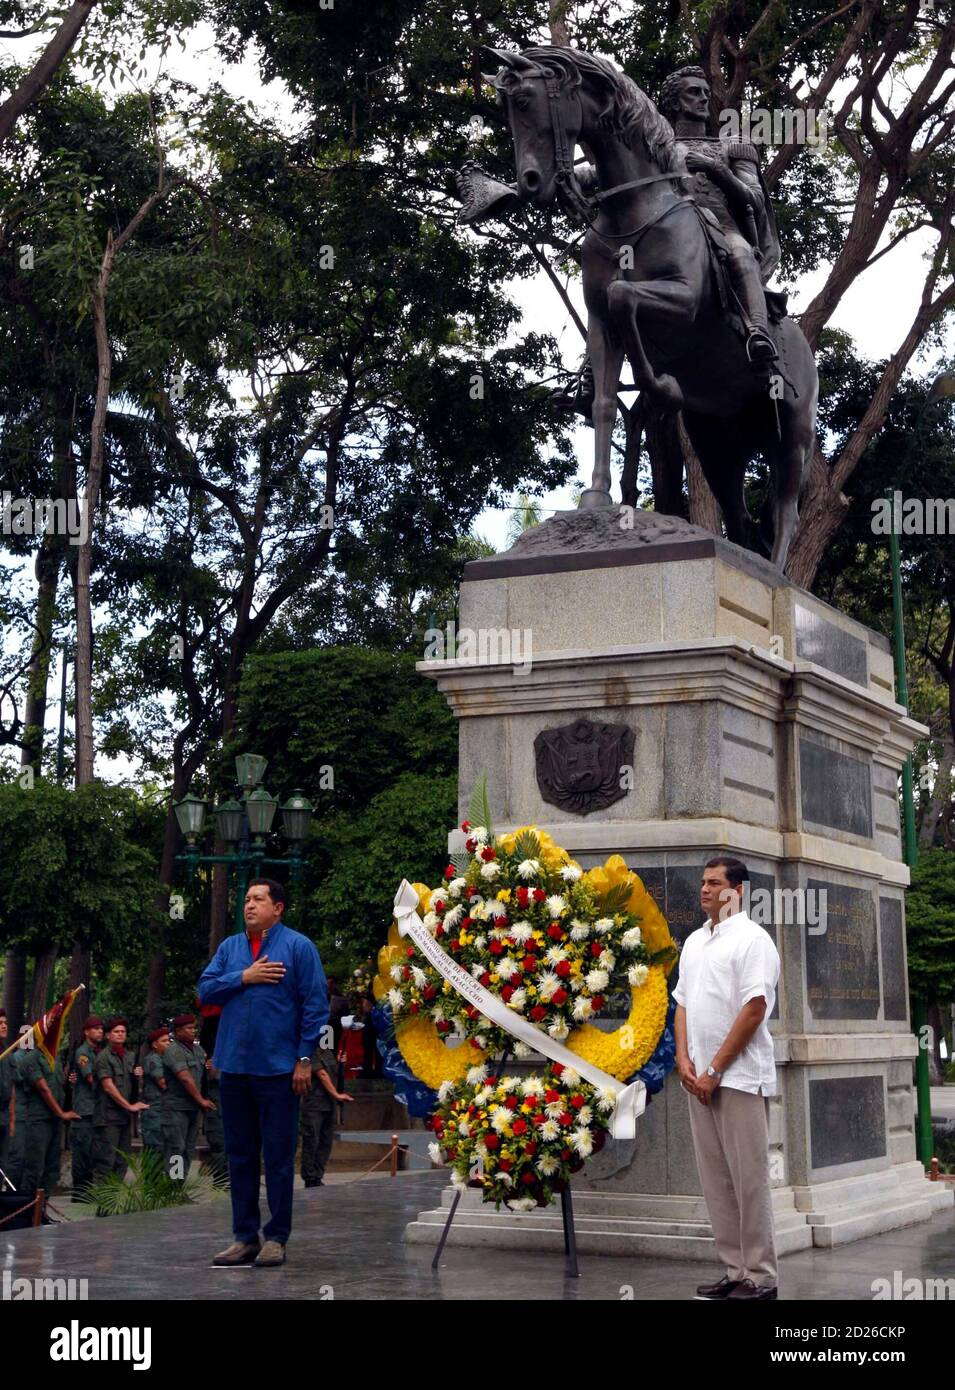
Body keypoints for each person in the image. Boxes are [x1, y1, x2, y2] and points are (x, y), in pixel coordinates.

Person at [198, 877, 328, 1268]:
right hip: (234, 1067)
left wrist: (304, 1059)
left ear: (278, 907)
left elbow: (316, 1005)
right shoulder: (230, 948)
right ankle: (244, 1237)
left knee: (277, 1155)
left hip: (278, 1070)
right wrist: (244, 977)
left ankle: (276, 1237)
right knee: (239, 1154)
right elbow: (205, 990)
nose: (249, 905)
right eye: (247, 899)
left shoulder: (298, 947)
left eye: (258, 899)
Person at [673, 856, 781, 1302]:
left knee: (748, 1180)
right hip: (699, 1079)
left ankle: (761, 1276)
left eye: (713, 883)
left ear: (736, 890)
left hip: (737, 1080)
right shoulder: (696, 942)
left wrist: (715, 1068)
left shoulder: (753, 941)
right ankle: (735, 1270)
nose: (704, 889)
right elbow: (681, 1004)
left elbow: (754, 1008)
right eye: (702, 881)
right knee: (717, 1181)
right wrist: (684, 1059)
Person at [92, 1017, 149, 1186]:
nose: (120, 1034)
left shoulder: (129, 1056)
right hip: (108, 1117)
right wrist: (130, 1106)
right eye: (116, 1032)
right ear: (108, 1036)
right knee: (106, 1161)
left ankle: (114, 1200)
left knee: (122, 1160)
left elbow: (131, 1084)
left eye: (123, 1032)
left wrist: (138, 1075)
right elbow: (108, 1087)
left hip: (124, 1117)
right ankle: (103, 1204)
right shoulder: (104, 1057)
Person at [19, 1042, 79, 1198]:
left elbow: (58, 1086)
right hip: (39, 1119)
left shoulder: (55, 1058)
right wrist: (61, 1113)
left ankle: (43, 1209)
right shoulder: (31, 1058)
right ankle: (27, 1211)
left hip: (54, 1121)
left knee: (52, 1168)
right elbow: (44, 1089)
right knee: (34, 1167)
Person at [161, 1014, 214, 1180]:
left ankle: (180, 1184)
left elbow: (207, 1072)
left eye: (194, 1028)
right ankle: (172, 1187)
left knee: (188, 1149)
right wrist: (201, 1100)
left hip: (192, 1108)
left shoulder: (198, 1050)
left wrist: (211, 1066)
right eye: (189, 1028)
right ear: (178, 1031)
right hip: (176, 1108)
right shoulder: (173, 1050)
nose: (194, 1031)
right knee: (176, 1148)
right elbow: (184, 1077)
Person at [300, 1042, 353, 1187]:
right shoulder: (310, 1051)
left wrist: (342, 1064)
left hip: (329, 1104)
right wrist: (336, 1094)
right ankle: (309, 1177)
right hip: (314, 1104)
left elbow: (334, 1074)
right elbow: (321, 1074)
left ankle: (318, 1175)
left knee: (325, 1142)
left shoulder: (329, 1052)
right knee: (312, 1140)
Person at [69, 1015, 104, 1196]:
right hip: (84, 1111)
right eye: (96, 1028)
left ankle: (88, 1191)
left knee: (92, 1154)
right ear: (86, 1032)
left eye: (101, 1028)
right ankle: (80, 1193)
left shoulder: (100, 1052)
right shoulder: (83, 1053)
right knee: (82, 1154)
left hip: (96, 1111)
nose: (100, 1031)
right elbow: (91, 1078)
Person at [140, 1028, 171, 1161]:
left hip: (168, 1110)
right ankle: (151, 1181)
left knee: (172, 1148)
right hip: (155, 1111)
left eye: (169, 1040)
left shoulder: (169, 1060)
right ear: (154, 1044)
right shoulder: (153, 1059)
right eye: (164, 1041)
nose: (168, 1043)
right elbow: (163, 1084)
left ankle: (173, 1180)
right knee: (154, 1150)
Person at [0, 1009, 12, 1176]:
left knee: (3, 1161)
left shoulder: (7, 1051)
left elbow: (12, 1086)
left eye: (5, 1023)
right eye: (0, 1024)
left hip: (3, 1114)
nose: (3, 1026)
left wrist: (12, 1117)